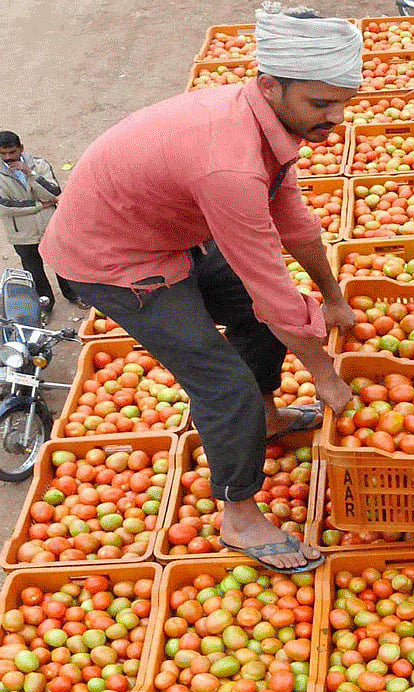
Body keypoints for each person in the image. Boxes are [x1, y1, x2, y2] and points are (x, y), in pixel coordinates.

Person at [39, 5, 364, 571]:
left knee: (251, 314)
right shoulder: (229, 166)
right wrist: (325, 374)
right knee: (223, 383)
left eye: (342, 102)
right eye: (320, 103)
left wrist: (332, 297)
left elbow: (296, 224)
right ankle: (238, 515)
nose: (334, 117)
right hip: (115, 260)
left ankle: (266, 417)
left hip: (166, 231)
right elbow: (271, 287)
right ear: (271, 86)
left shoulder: (265, 122)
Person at [0, 131, 86, 312]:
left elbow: (53, 192)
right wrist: (41, 205)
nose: (8, 158)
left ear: (21, 148)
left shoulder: (39, 165)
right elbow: (5, 207)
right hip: (22, 234)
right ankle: (46, 305)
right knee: (34, 271)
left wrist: (30, 173)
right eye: (2, 154)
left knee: (62, 263)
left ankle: (73, 294)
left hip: (50, 227)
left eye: (12, 152)